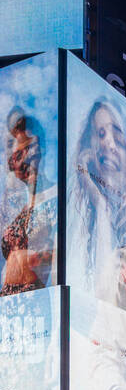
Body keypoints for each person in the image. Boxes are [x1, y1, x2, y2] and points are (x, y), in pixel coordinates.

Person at [71, 98, 126, 323]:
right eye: (100, 134)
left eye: (115, 133)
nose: (109, 144)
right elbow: (103, 297)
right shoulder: (91, 221)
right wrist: (99, 204)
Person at [1, 108, 57, 294]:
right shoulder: (15, 206)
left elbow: (62, 257)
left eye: (29, 148)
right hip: (7, 301)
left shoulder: (56, 197)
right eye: (16, 155)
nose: (23, 160)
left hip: (36, 299)